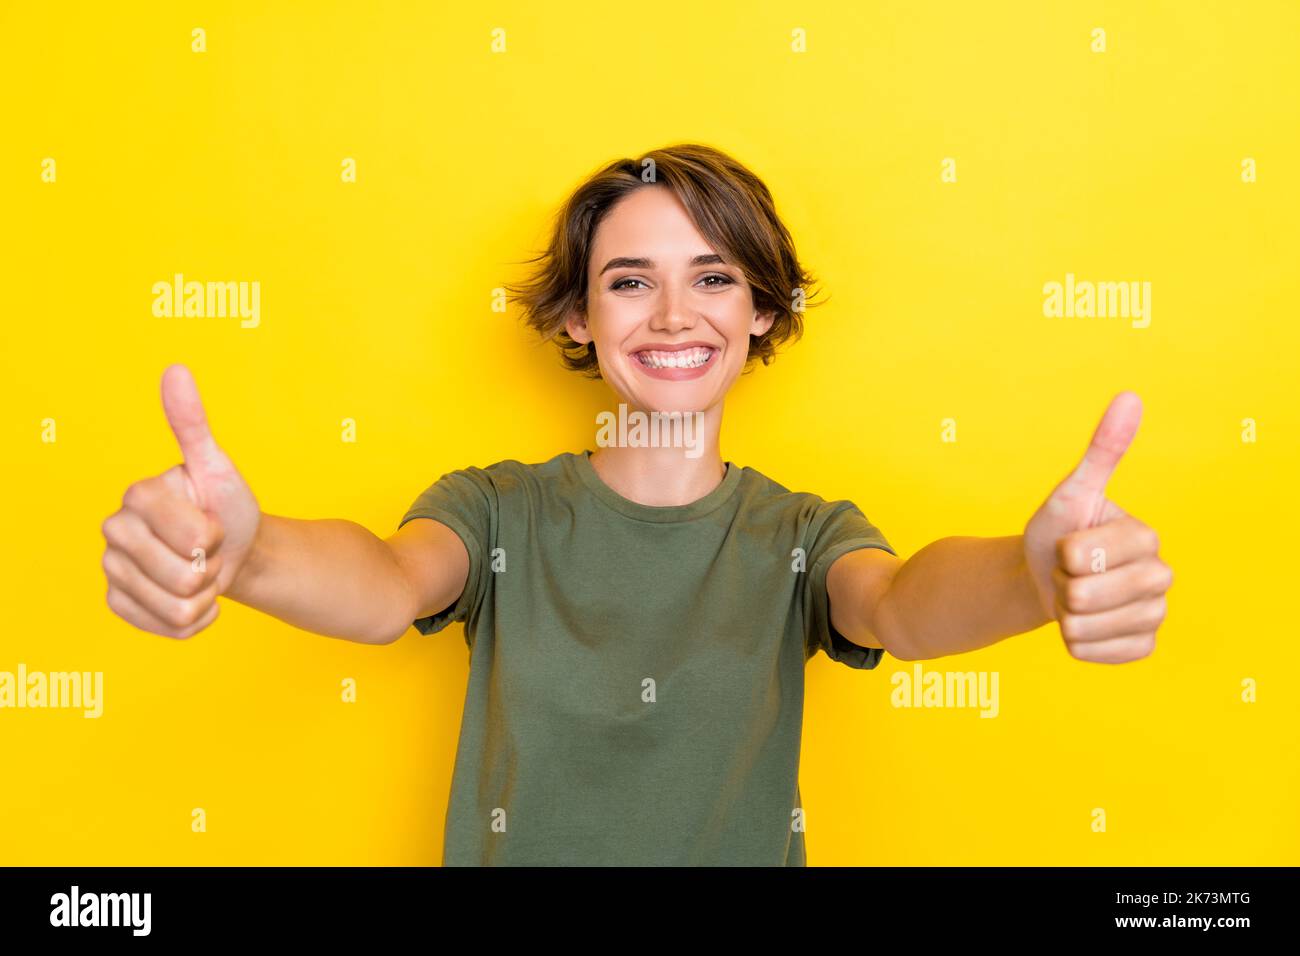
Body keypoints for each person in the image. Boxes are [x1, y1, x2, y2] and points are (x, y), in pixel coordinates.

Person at [100, 142, 1173, 866]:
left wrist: (1036, 580)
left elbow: (898, 605)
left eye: (713, 278)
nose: (672, 312)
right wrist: (241, 556)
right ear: (576, 315)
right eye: (628, 280)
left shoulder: (800, 534)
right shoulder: (495, 510)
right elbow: (383, 585)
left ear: (760, 312)